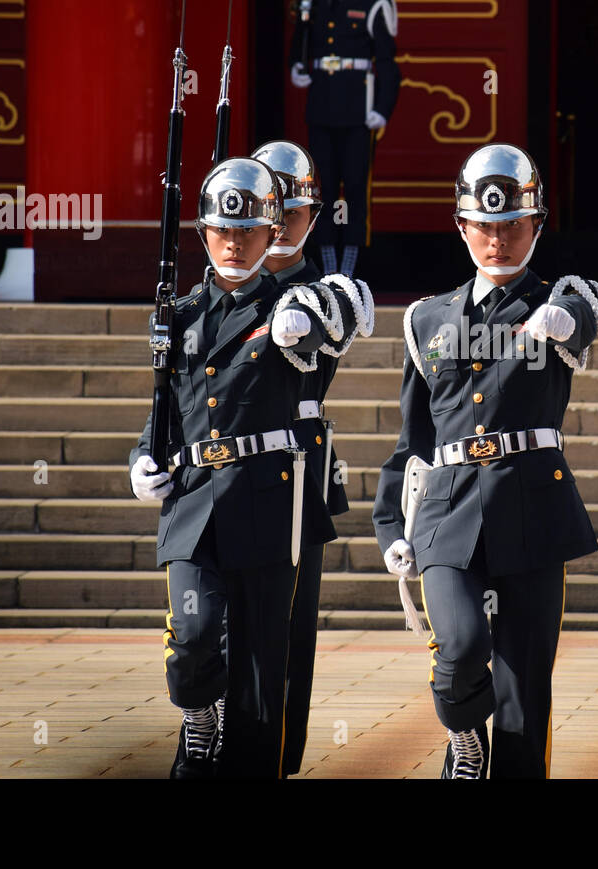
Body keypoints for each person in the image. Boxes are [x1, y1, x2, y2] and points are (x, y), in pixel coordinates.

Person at [371, 143, 598, 778]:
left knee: (522, 691)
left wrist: (565, 318)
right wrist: (391, 525)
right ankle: (462, 734)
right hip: (447, 509)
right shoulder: (427, 317)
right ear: (461, 227)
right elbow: (413, 436)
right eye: (484, 226)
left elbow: (592, 312)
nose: (498, 240)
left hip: (532, 505)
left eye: (512, 226)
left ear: (536, 226)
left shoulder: (558, 299)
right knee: (457, 648)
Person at [129, 156, 368, 779]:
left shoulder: (293, 307)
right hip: (192, 503)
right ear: (203, 235)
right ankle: (198, 711)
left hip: (265, 501)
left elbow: (340, 311)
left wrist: (308, 322)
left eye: (249, 232)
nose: (234, 244)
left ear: (273, 235)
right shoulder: (178, 316)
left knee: (263, 670)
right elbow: (165, 413)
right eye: (221, 232)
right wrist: (141, 460)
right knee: (192, 635)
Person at [252, 138, 374, 775]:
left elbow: (335, 317)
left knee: (288, 628)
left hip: (294, 469)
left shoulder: (327, 290)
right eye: (264, 212)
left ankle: (275, 756)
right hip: (216, 474)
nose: (276, 226)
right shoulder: (214, 287)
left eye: (291, 214)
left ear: (313, 218)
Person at [289, 0, 399, 280]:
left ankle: (349, 262)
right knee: (322, 185)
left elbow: (387, 62)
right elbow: (301, 49)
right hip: (322, 106)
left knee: (353, 187)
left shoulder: (373, 1)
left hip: (357, 108)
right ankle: (326, 261)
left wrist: (382, 109)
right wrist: (297, 65)